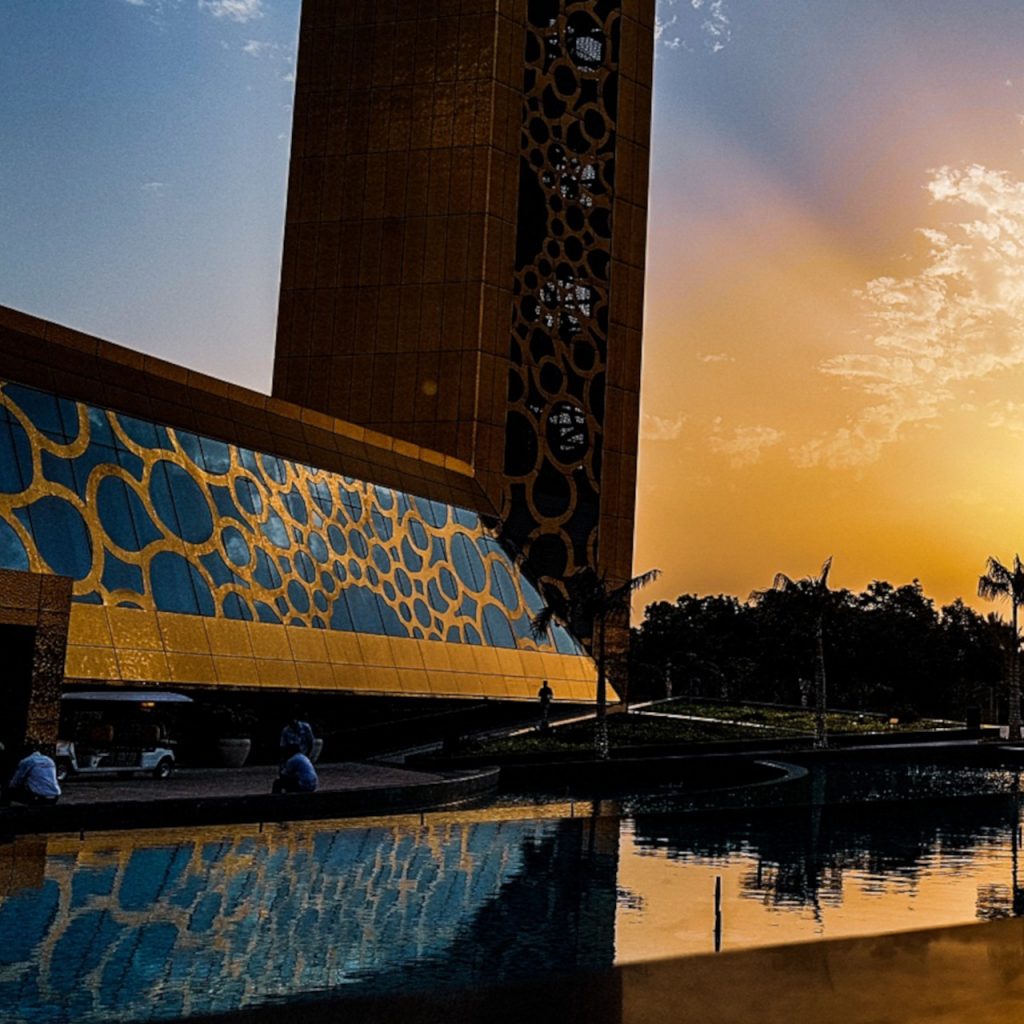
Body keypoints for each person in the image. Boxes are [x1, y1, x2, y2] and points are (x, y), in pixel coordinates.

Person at [6, 740, 61, 806]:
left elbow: (16, 781)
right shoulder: (49, 760)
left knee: (9, 789)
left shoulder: (27, 761)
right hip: (55, 795)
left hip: (40, 797)